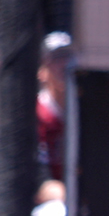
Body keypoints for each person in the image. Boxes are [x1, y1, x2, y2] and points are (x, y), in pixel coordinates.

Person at [36, 30, 72, 184]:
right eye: (56, 59)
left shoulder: (85, 112)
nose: (63, 64)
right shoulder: (37, 114)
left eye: (68, 57)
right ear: (42, 71)